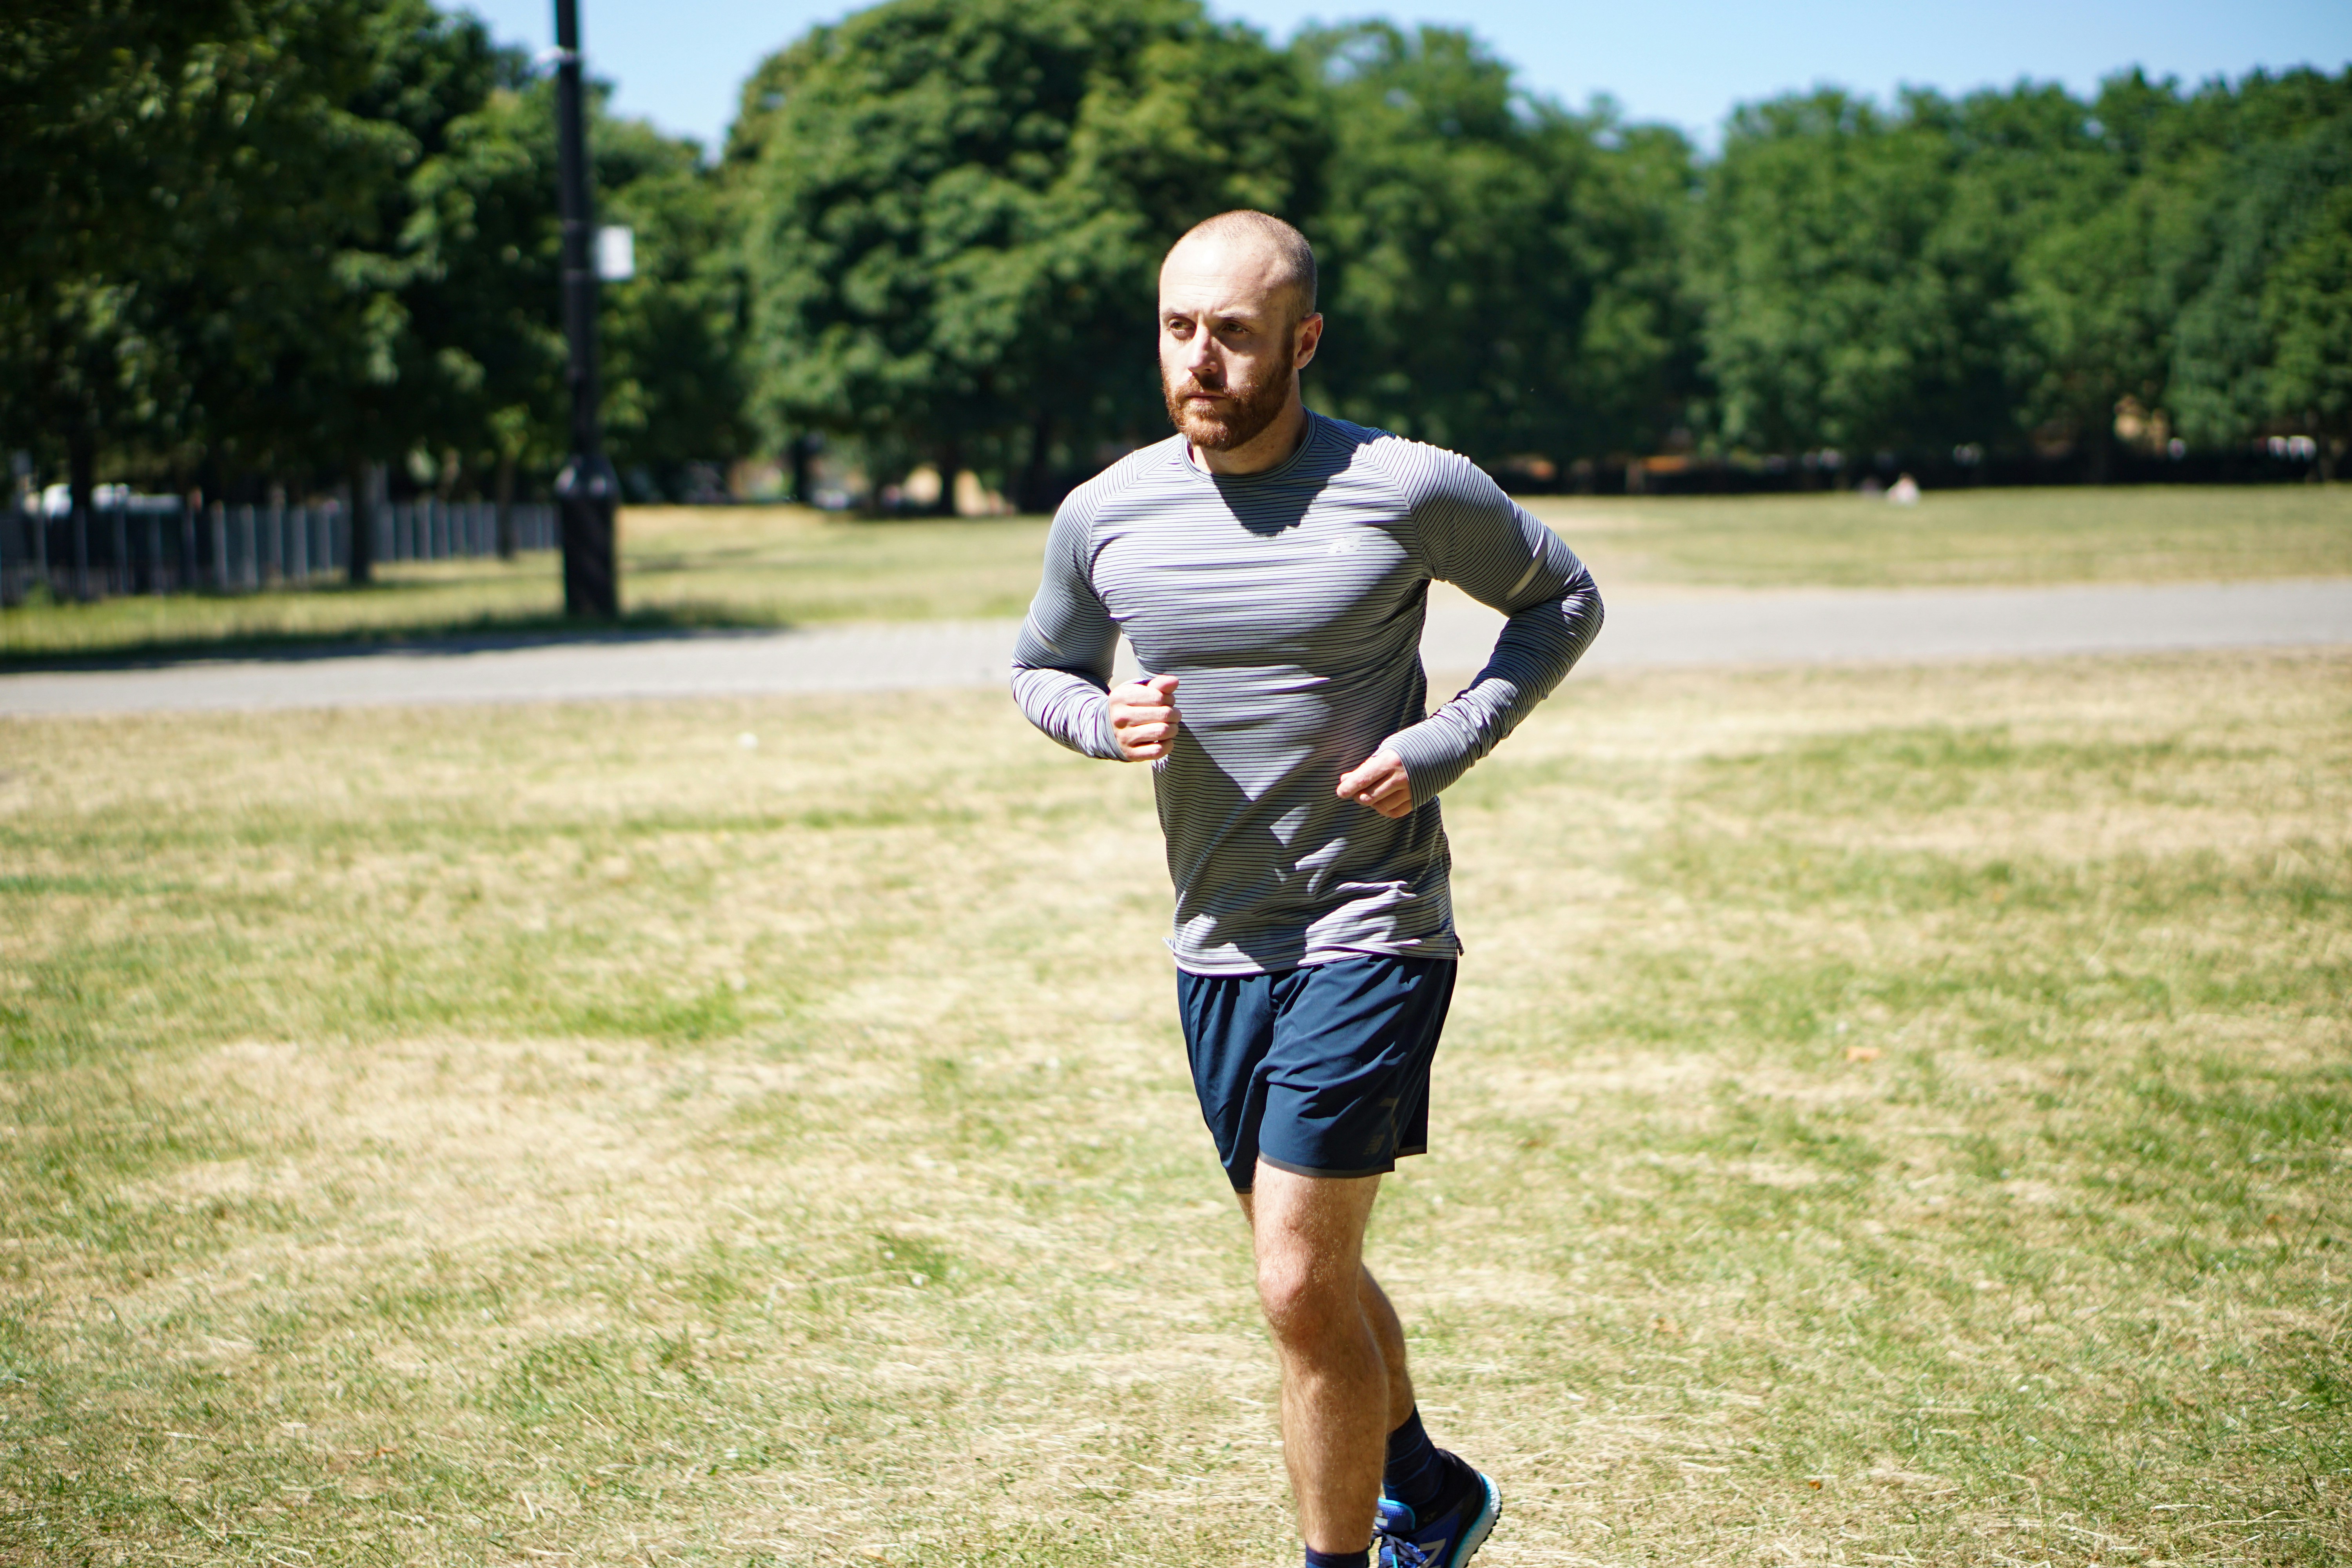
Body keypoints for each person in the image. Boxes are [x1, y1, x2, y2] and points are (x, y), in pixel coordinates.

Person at [1010, 209, 1603, 1568]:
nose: (1200, 360)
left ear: (1305, 342)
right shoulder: (1106, 513)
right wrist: (1103, 721)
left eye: (1234, 333)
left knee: (1290, 1278)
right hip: (1217, 943)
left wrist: (1447, 740)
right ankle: (1428, 1491)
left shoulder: (1404, 487)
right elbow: (1040, 667)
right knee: (1310, 1275)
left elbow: (1562, 599)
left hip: (1373, 924)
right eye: (1179, 330)